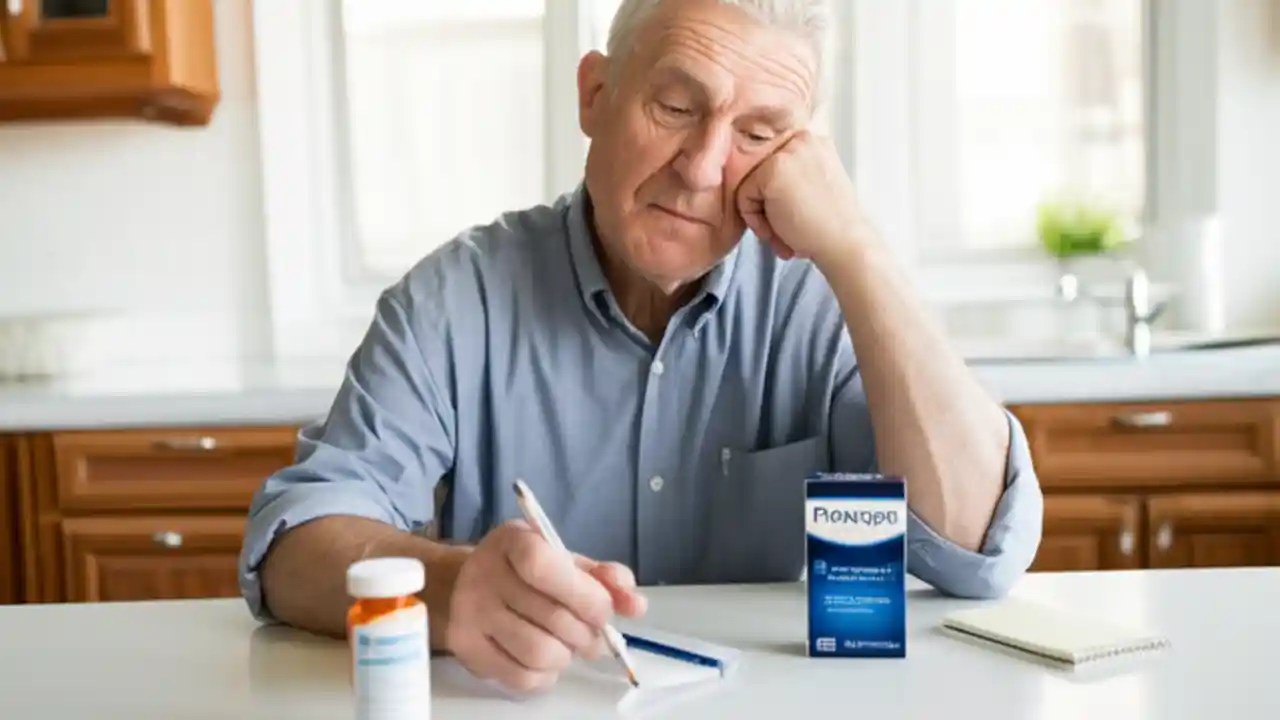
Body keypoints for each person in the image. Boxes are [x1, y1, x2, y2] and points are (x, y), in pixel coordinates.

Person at [239, 0, 1043, 693]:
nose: (702, 169)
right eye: (677, 107)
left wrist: (858, 248)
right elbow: (293, 545)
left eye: (757, 134)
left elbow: (977, 554)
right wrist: (451, 591)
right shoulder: (456, 300)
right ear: (595, 95)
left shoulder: (824, 303)